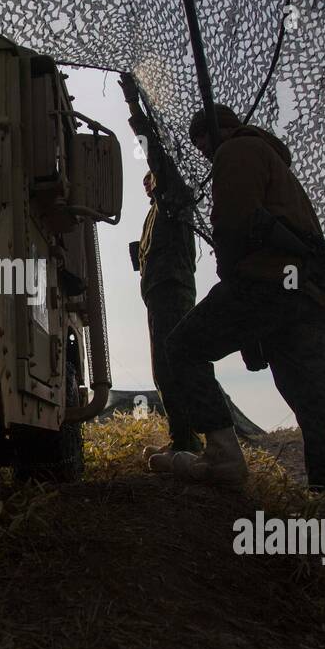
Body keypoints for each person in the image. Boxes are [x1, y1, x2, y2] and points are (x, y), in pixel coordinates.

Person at [166, 105, 325, 519]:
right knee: (312, 395)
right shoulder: (277, 165)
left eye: (203, 140)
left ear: (221, 130)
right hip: (308, 293)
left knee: (183, 346)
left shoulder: (237, 152)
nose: (202, 151)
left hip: (268, 283)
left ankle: (222, 455)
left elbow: (234, 226)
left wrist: (238, 298)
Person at [134, 167, 204, 462]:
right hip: (158, 292)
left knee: (174, 364)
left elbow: (166, 171)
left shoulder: (172, 199)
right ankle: (182, 438)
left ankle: (189, 441)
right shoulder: (154, 213)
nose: (146, 183)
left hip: (173, 289)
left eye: (150, 177)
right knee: (163, 368)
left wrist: (142, 126)